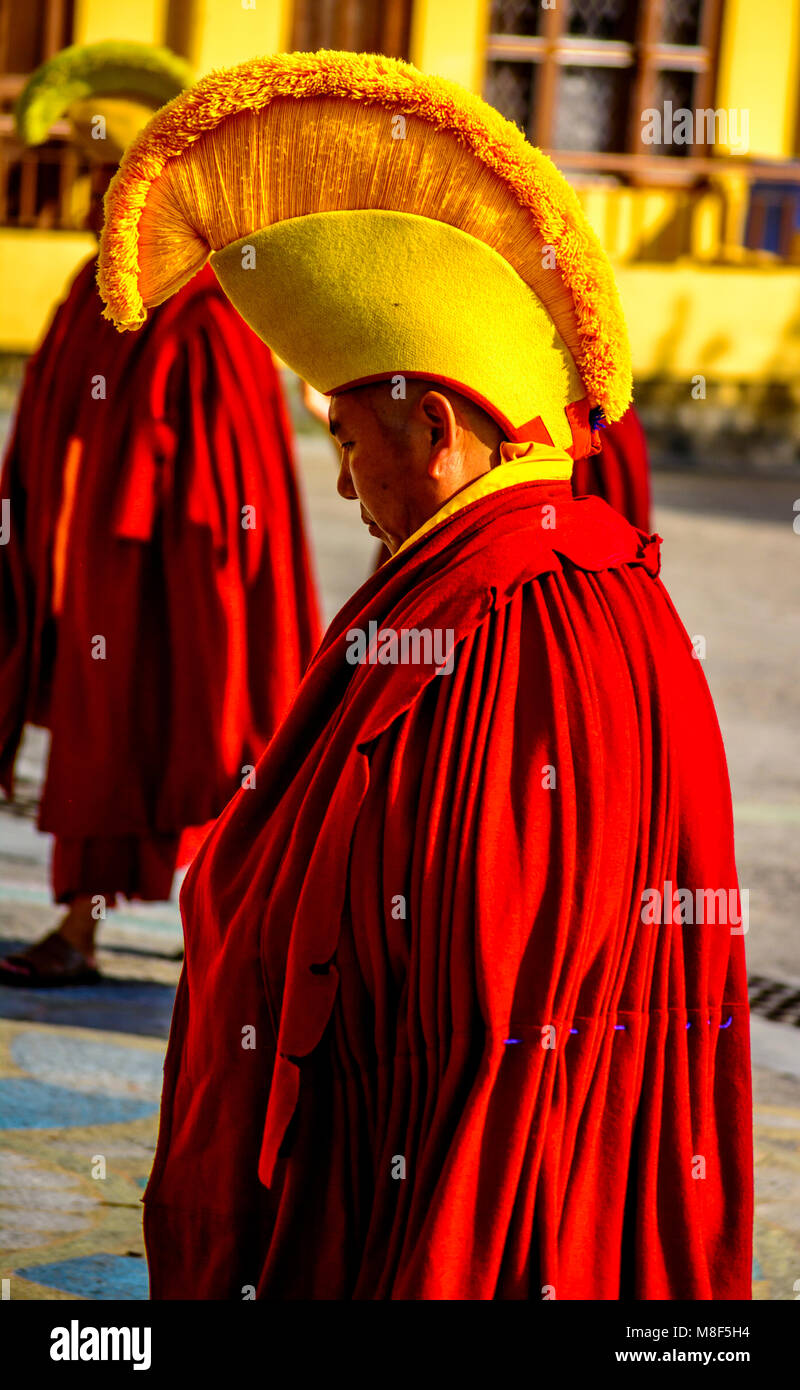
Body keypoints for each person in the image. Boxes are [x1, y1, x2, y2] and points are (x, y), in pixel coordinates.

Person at [98, 49, 752, 1299]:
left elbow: (477, 988)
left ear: (435, 430)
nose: (340, 486)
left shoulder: (516, 627)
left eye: (348, 441)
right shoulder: (586, 579)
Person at [0, 42, 320, 986]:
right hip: (100, 566)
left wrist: (205, 583)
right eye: (100, 180)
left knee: (220, 722)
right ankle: (82, 928)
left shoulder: (214, 311)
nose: (107, 201)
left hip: (190, 573)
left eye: (121, 179)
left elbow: (238, 486)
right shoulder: (94, 292)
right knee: (104, 733)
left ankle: (236, 924)